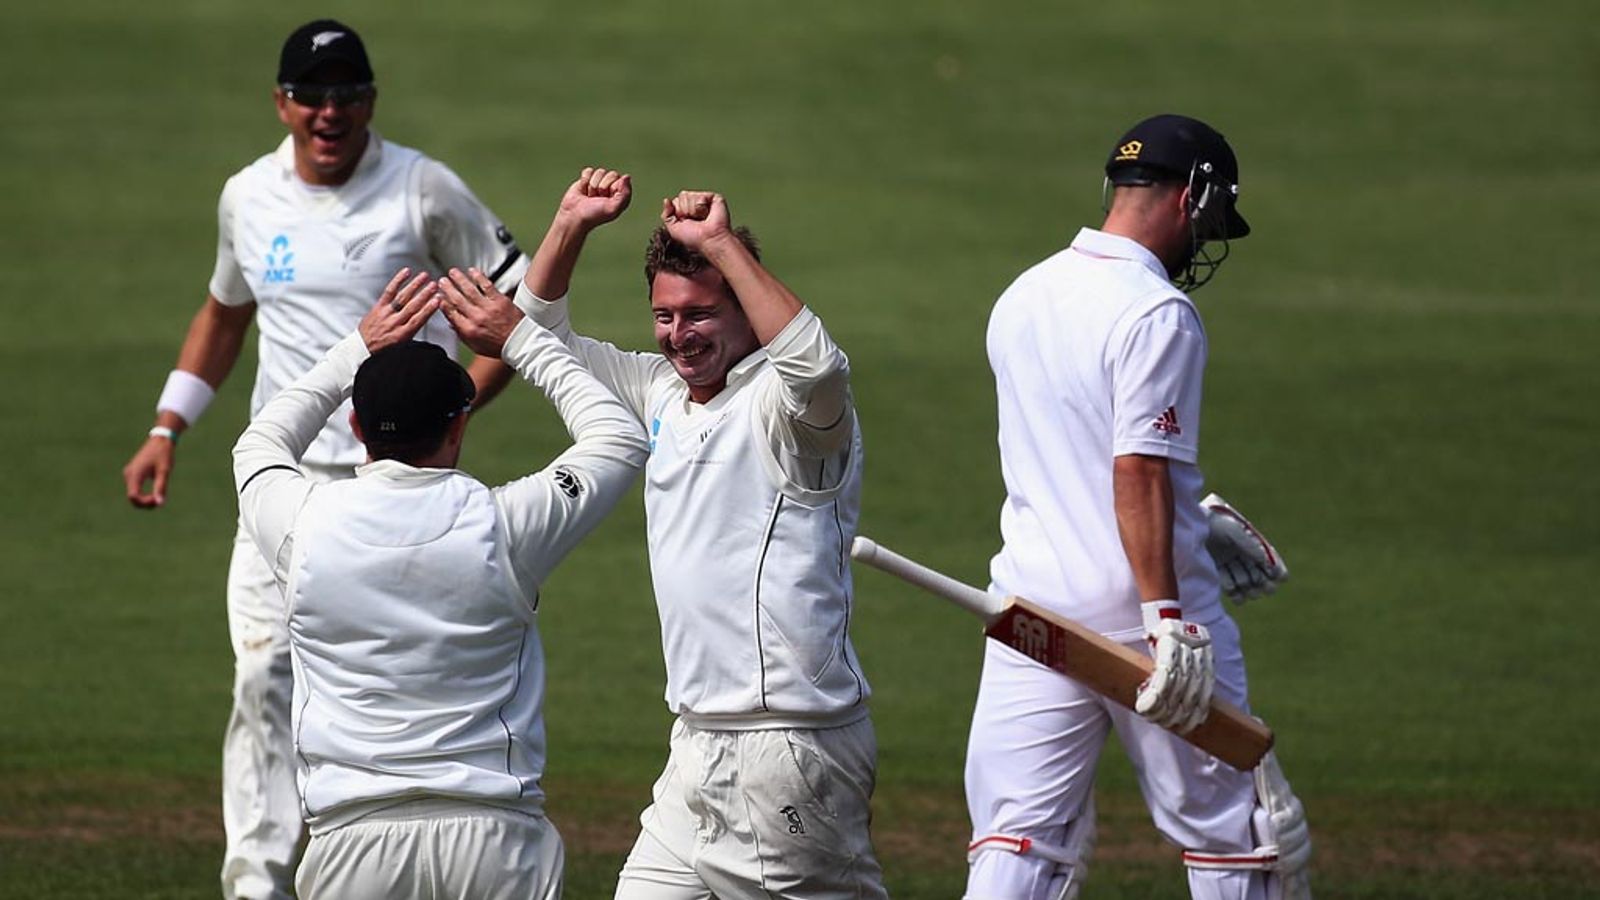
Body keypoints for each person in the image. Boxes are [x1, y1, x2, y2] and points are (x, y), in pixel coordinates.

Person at [119, 20, 528, 899]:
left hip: (399, 485)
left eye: (348, 94)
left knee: (405, 672)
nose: (329, 112)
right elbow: (225, 315)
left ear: (370, 101)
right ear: (282, 103)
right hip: (286, 484)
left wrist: (454, 405)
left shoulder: (422, 189)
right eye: (312, 95)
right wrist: (167, 426)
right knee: (265, 671)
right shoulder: (247, 196)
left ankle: (406, 863)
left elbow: (514, 298)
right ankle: (259, 882)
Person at [513, 168, 888, 899]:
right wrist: (570, 223)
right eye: (664, 316)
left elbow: (818, 368)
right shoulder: (658, 391)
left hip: (790, 744)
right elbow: (535, 336)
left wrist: (719, 242)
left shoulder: (788, 413)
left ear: (745, 309)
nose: (679, 335)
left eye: (700, 314)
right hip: (696, 744)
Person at [964, 114, 1311, 900]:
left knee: (1016, 844)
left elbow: (1077, 457)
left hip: (1034, 612)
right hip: (1148, 627)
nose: (1209, 237)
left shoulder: (1025, 292)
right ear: (1191, 195)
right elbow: (1138, 474)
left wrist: (1193, 515)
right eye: (1215, 217)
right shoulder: (1158, 313)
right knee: (1241, 839)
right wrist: (1167, 614)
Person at [232, 266, 646, 899]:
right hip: (496, 844)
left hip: (351, 843)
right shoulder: (506, 524)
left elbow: (259, 443)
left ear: (358, 430)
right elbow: (618, 436)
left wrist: (355, 349)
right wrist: (520, 338)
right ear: (458, 426)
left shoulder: (301, 525)